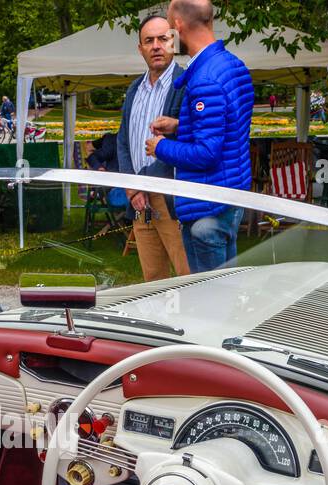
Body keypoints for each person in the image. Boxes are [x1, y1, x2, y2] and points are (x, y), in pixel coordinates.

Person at [145, 0, 253, 273]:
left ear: (179, 26)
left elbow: (207, 153)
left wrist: (161, 147)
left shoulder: (205, 79)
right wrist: (181, 126)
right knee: (226, 293)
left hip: (208, 208)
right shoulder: (232, 64)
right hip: (228, 197)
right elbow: (226, 130)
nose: (167, 39)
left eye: (169, 30)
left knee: (211, 303)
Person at [116, 12, 189, 282]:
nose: (156, 46)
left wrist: (147, 183)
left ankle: (193, 324)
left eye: (163, 38)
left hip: (171, 197)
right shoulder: (134, 89)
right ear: (141, 48)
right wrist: (132, 187)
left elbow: (194, 137)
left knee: (187, 275)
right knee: (153, 281)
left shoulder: (186, 84)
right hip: (139, 199)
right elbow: (122, 141)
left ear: (174, 42)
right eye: (149, 40)